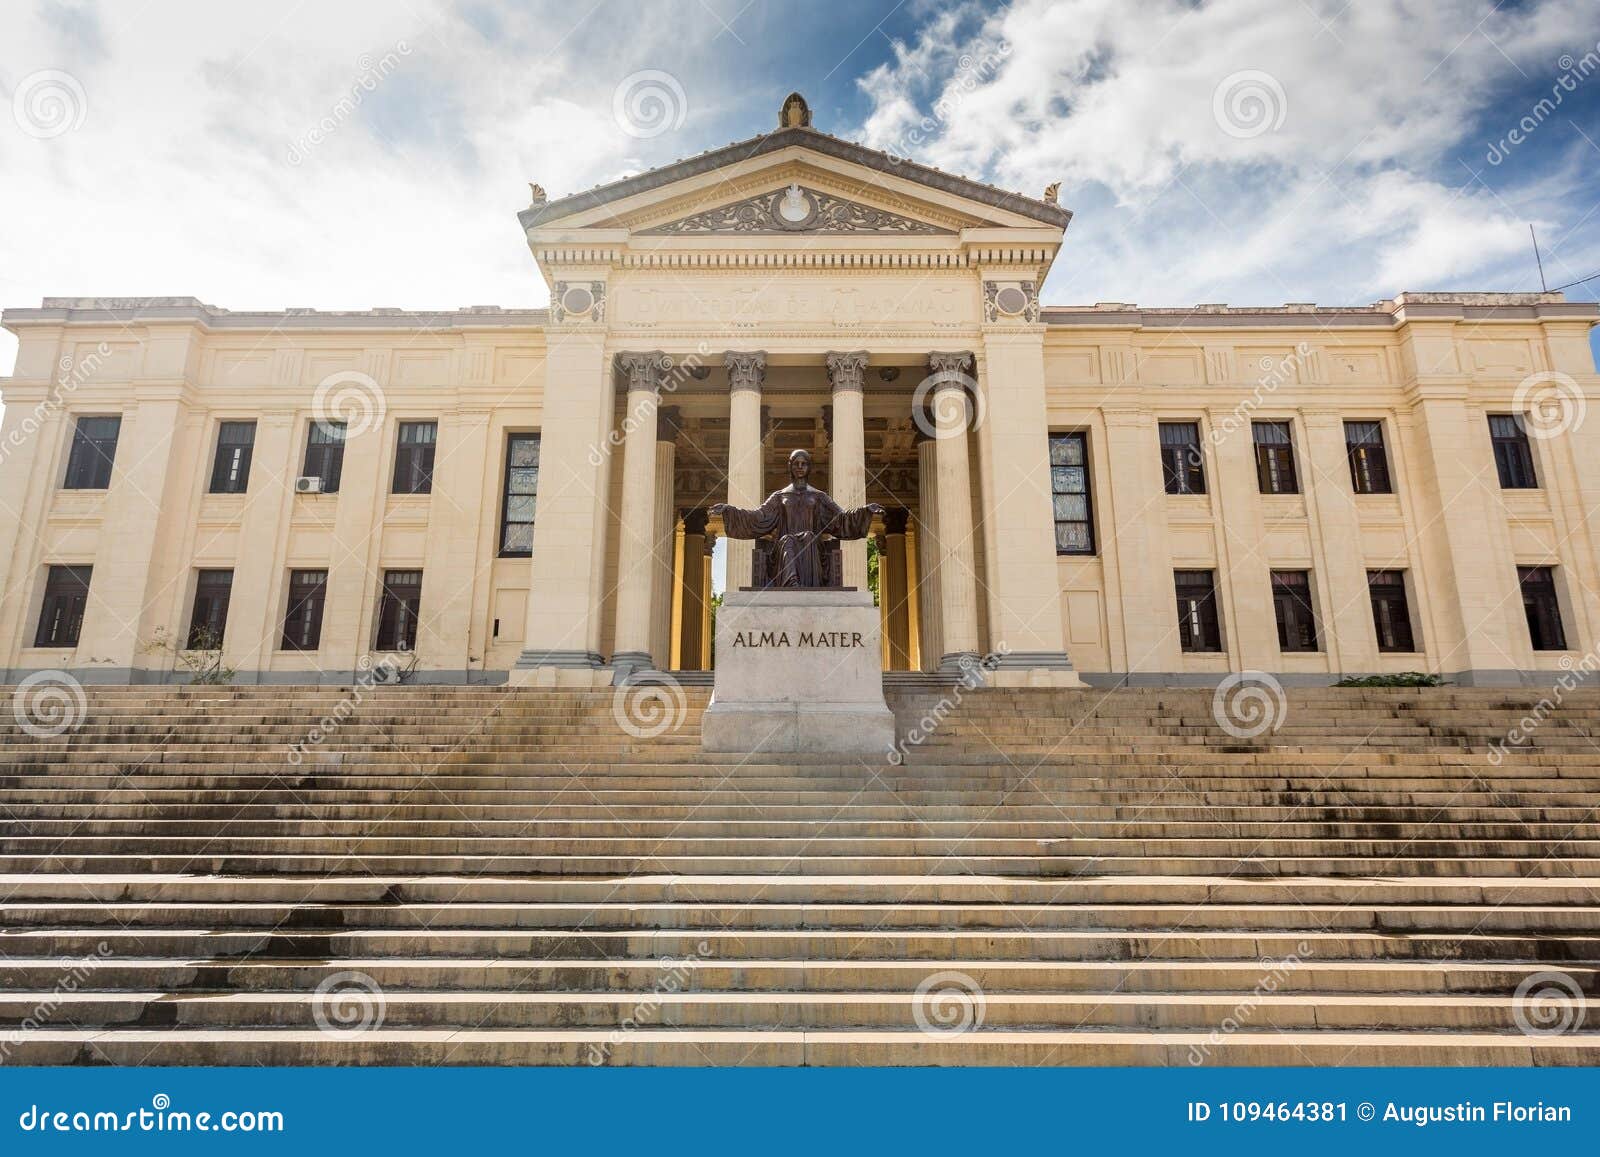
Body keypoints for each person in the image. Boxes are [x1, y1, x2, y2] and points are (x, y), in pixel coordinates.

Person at [711, 449, 883, 588]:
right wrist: (729, 511)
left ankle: (804, 584)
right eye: (796, 463)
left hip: (812, 547)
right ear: (790, 466)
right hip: (783, 549)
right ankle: (792, 584)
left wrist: (865, 511)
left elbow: (841, 519)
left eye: (804, 464)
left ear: (809, 467)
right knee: (787, 540)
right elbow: (758, 517)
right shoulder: (779, 497)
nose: (800, 467)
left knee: (808, 536)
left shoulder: (819, 497)